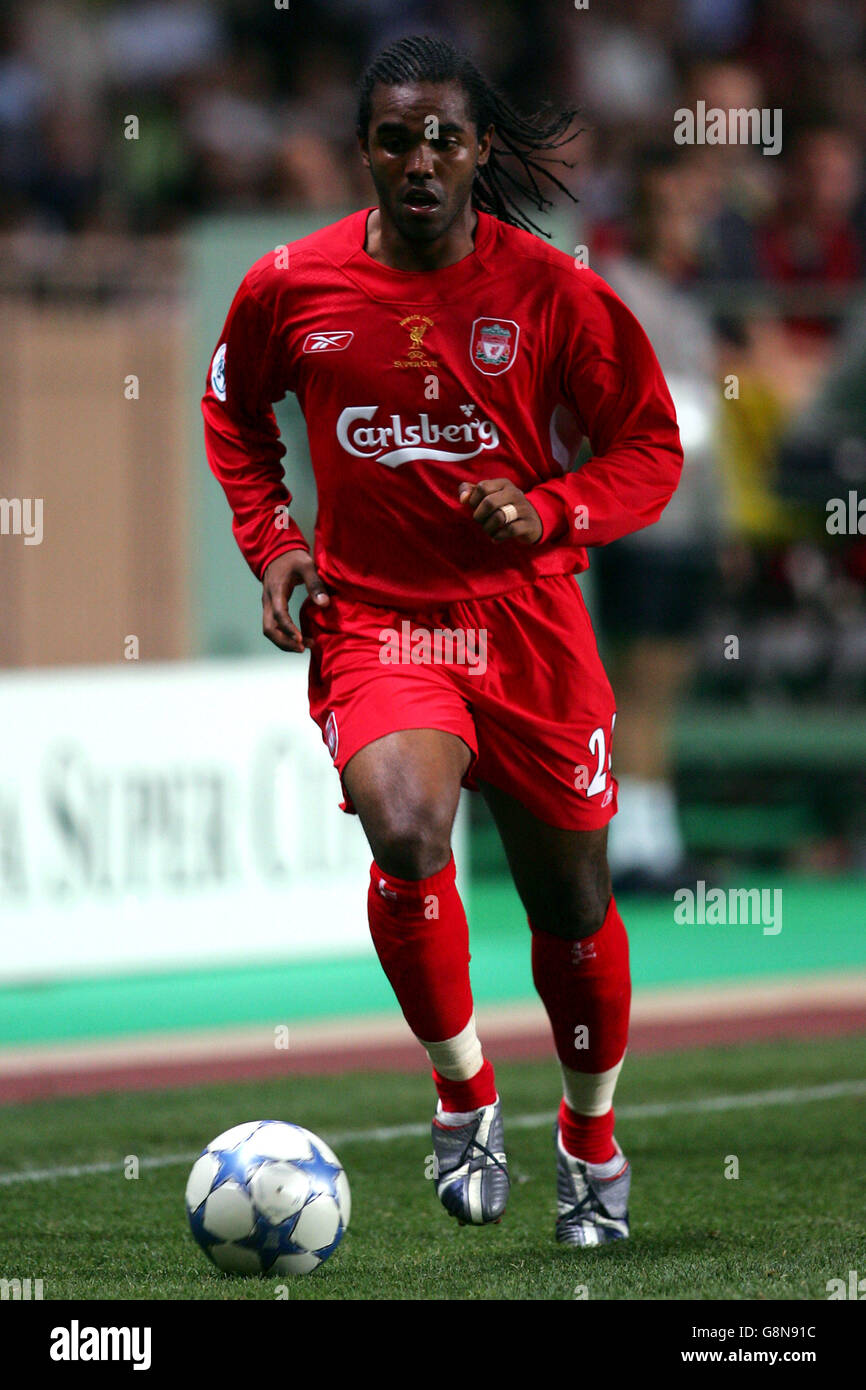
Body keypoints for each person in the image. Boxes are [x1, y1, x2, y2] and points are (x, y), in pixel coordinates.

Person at [202, 34, 682, 1246]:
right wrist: (274, 543)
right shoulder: (286, 286)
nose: (420, 159)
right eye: (395, 137)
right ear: (363, 149)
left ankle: (587, 1138)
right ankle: (464, 1092)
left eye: (444, 139)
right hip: (379, 619)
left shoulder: (552, 292)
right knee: (405, 829)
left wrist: (551, 510)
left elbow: (647, 446)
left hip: (526, 626)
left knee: (568, 907)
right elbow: (229, 409)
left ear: (477, 151)